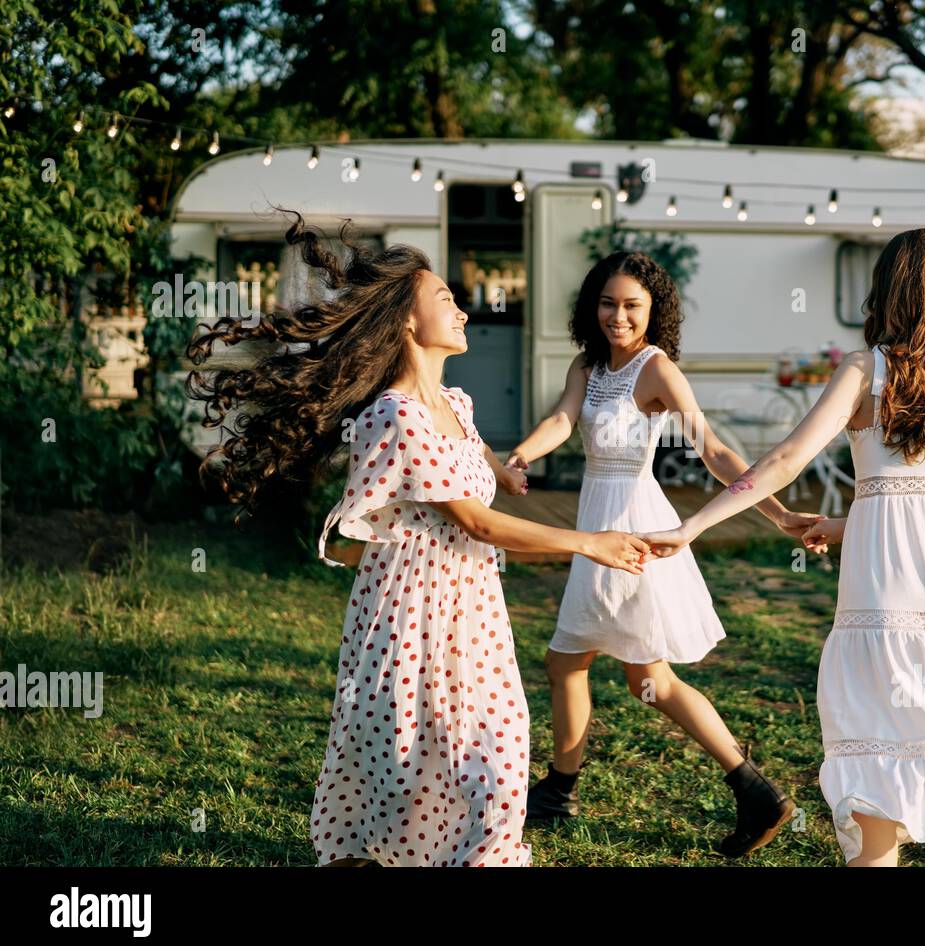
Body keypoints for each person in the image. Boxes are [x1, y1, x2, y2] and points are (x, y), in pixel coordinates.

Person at [186, 213, 650, 866]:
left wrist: (503, 468)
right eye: (445, 300)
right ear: (408, 321)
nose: (462, 308)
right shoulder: (392, 414)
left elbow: (475, 456)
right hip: (410, 611)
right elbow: (476, 524)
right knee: (405, 771)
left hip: (472, 610)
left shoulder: (454, 404)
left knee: (497, 754)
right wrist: (588, 541)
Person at [641, 229, 925, 866]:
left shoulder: (868, 368)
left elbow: (786, 458)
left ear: (895, 289)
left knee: (876, 748)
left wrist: (694, 525)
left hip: (883, 586)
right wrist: (849, 524)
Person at [503, 251, 821, 856]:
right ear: (591, 305)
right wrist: (521, 454)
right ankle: (753, 789)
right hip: (599, 522)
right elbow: (563, 421)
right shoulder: (589, 364)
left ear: (653, 312)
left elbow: (713, 450)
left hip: (632, 528)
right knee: (640, 676)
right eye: (607, 303)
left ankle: (560, 791)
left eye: (631, 306)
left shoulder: (657, 369)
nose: (617, 317)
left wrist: (778, 514)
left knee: (580, 663)